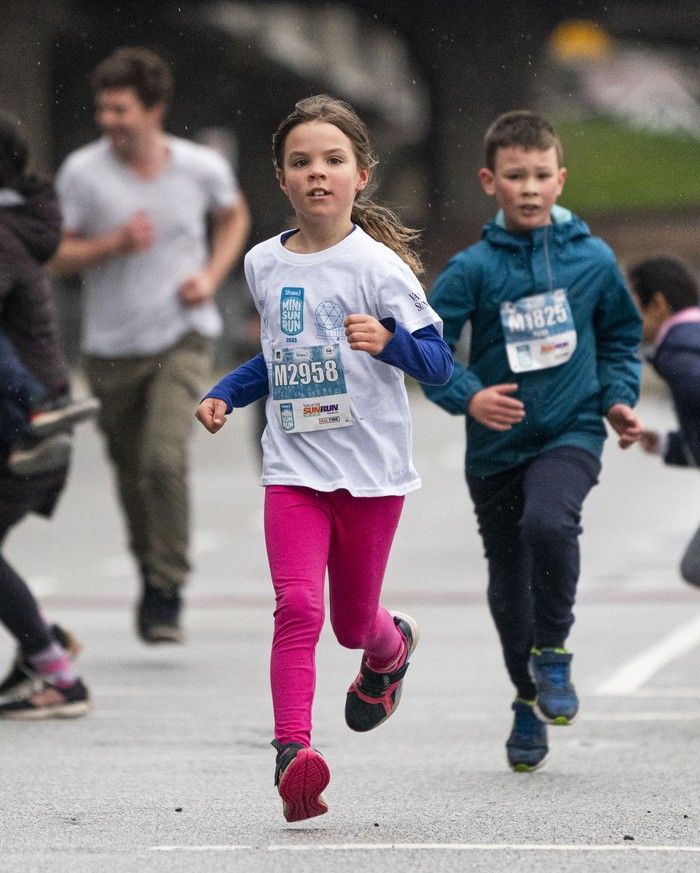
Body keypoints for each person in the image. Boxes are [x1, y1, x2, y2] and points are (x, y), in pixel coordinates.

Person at [196, 95, 452, 822]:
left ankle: (389, 647)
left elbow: (437, 362)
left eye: (333, 161)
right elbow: (277, 360)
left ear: (361, 175)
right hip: (296, 469)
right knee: (298, 607)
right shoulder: (262, 263)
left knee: (351, 623)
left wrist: (389, 343)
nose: (317, 173)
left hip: (371, 474)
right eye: (301, 161)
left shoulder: (379, 269)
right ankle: (293, 755)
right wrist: (227, 391)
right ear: (280, 177)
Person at [422, 110, 643, 773]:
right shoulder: (472, 268)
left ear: (560, 178)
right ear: (490, 180)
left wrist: (617, 398)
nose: (529, 187)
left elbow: (621, 337)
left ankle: (554, 651)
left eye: (541, 175)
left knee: (551, 522)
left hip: (570, 430)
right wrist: (469, 396)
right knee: (508, 578)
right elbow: (426, 348)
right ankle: (525, 695)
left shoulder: (593, 257)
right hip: (495, 446)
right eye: (515, 175)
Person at [50, 47, 251, 644]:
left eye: (120, 109)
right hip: (110, 347)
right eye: (102, 109)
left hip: (183, 335)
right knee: (133, 474)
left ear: (154, 109)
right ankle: (150, 571)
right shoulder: (82, 174)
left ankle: (168, 588)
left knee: (164, 457)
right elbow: (57, 253)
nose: (108, 120)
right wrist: (111, 245)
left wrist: (211, 277)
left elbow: (234, 215)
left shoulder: (199, 167)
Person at [0, 111, 90, 718]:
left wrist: (34, 403)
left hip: (25, 422)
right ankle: (45, 648)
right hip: (32, 413)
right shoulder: (17, 225)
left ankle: (53, 666)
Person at [628, 257, 700, 588]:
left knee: (694, 567)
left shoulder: (676, 350)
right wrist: (667, 445)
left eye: (632, 306)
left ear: (657, 304)